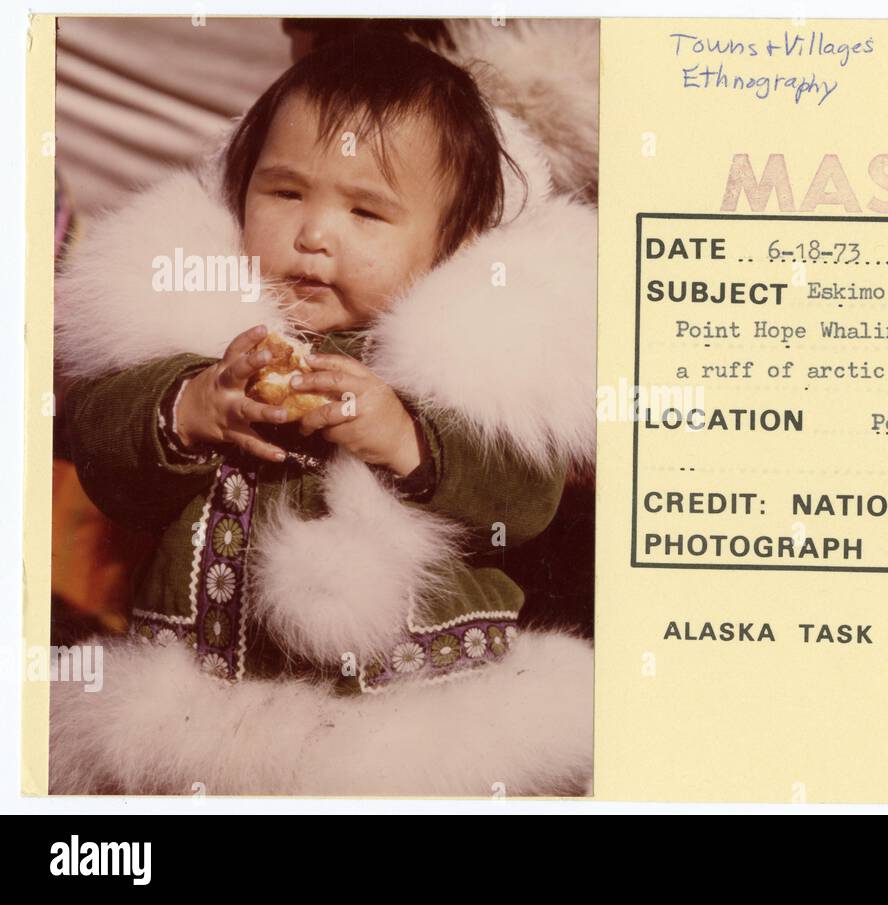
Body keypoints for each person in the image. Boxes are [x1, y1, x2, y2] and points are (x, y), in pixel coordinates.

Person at [50, 30, 595, 796]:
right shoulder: (196, 339)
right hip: (200, 722)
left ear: (452, 245)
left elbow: (523, 494)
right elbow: (97, 444)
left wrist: (407, 438)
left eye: (367, 213)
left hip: (421, 727)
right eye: (284, 193)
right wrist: (190, 406)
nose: (313, 234)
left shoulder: (469, 365)